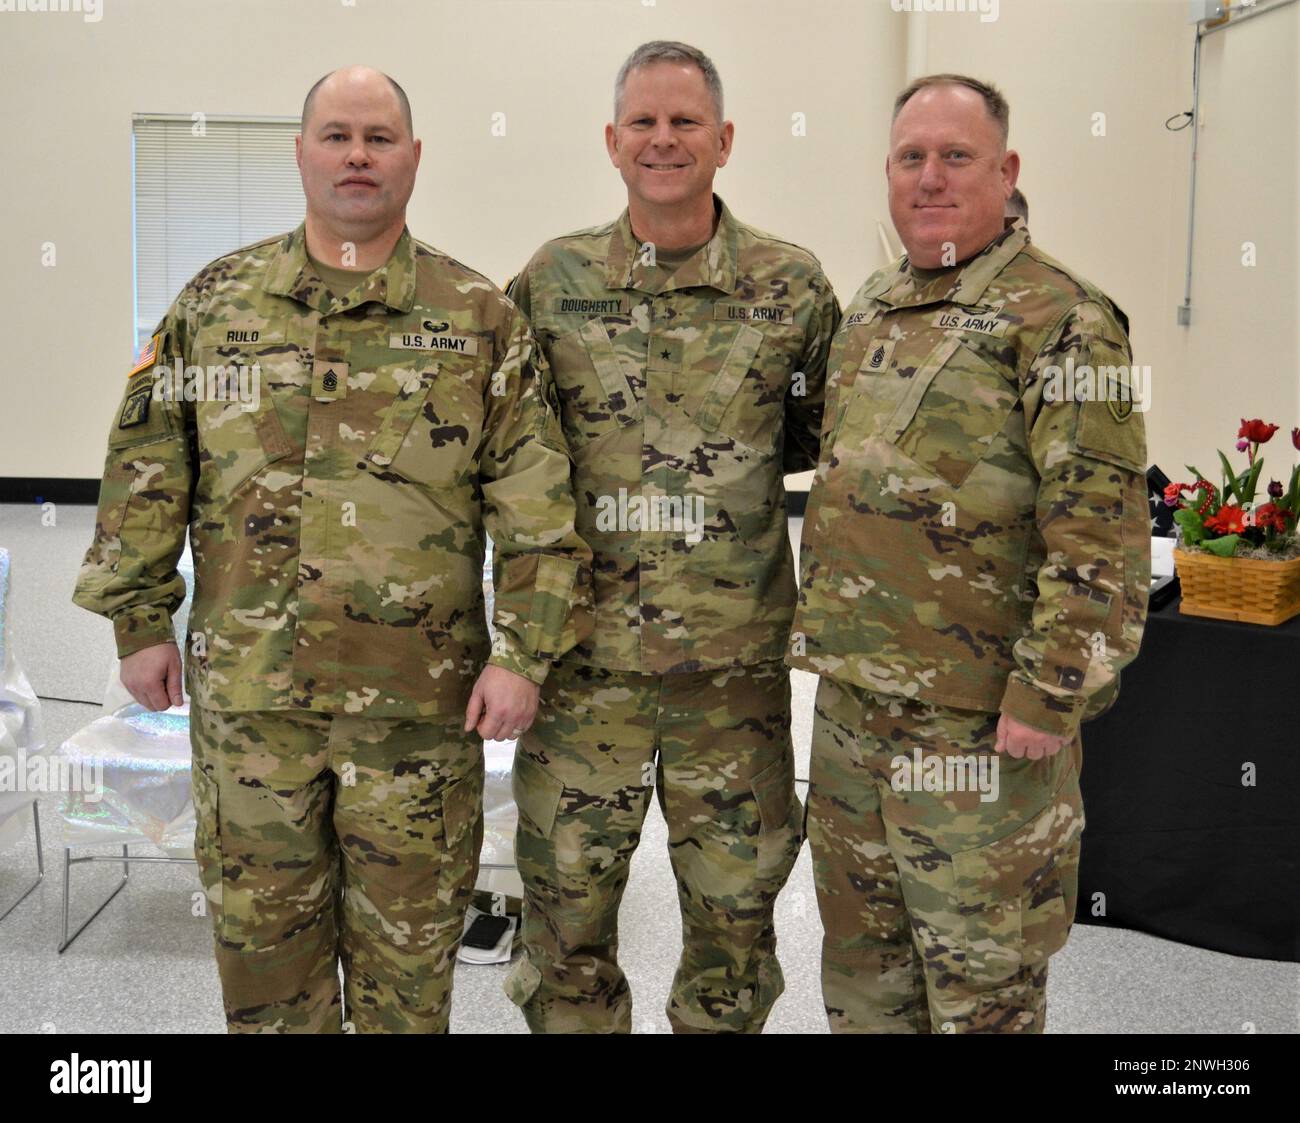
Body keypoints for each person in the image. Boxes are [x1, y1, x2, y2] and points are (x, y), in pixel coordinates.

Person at [73, 65, 591, 1033]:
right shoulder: (217, 304)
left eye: (380, 138)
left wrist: (523, 652)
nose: (358, 156)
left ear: (414, 157)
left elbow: (534, 504)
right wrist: (137, 621)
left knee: (409, 967)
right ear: (302, 151)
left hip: (417, 713)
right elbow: (148, 465)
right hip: (251, 708)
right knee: (264, 960)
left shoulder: (475, 316)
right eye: (338, 135)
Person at [789, 73, 1148, 1033]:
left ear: (1006, 170)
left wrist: (1051, 691)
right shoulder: (872, 306)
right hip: (854, 710)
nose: (931, 177)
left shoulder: (1063, 316)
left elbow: (1100, 527)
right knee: (865, 978)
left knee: (980, 984)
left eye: (957, 156)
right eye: (912, 158)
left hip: (982, 726)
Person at [503, 40, 840, 1033]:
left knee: (735, 927)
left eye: (685, 121)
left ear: (724, 140)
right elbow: (509, 452)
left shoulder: (792, 286)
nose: (663, 140)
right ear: (612, 142)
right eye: (643, 123)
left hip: (729, 681)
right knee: (564, 922)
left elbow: (825, 440)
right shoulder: (551, 283)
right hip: (582, 671)